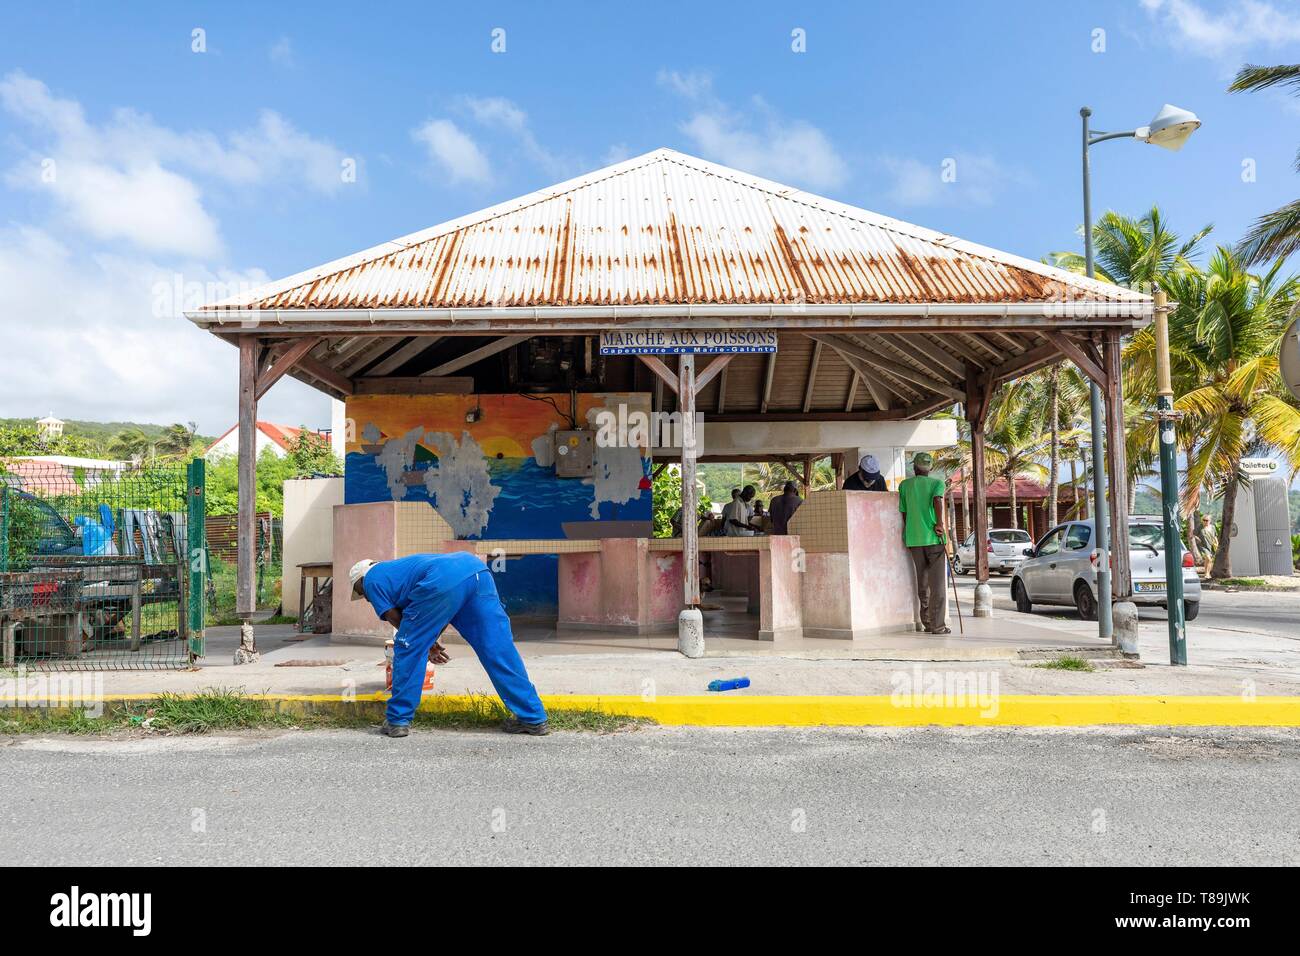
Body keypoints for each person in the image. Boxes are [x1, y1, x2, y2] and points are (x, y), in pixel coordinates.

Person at [350, 552, 548, 738]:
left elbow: (396, 619)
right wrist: (428, 639)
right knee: (497, 648)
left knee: (407, 647)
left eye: (360, 591)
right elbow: (442, 611)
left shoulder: (371, 579)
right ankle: (533, 718)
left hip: (443, 579)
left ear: (361, 578)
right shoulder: (401, 570)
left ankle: (397, 720)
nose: (365, 597)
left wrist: (421, 641)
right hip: (475, 570)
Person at [898, 452, 950, 635]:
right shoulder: (937, 484)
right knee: (938, 585)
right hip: (934, 539)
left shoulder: (904, 485)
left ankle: (927, 622)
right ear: (930, 468)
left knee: (923, 582)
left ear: (914, 467)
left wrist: (911, 528)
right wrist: (940, 524)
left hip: (914, 539)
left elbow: (903, 512)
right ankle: (938, 626)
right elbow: (937, 500)